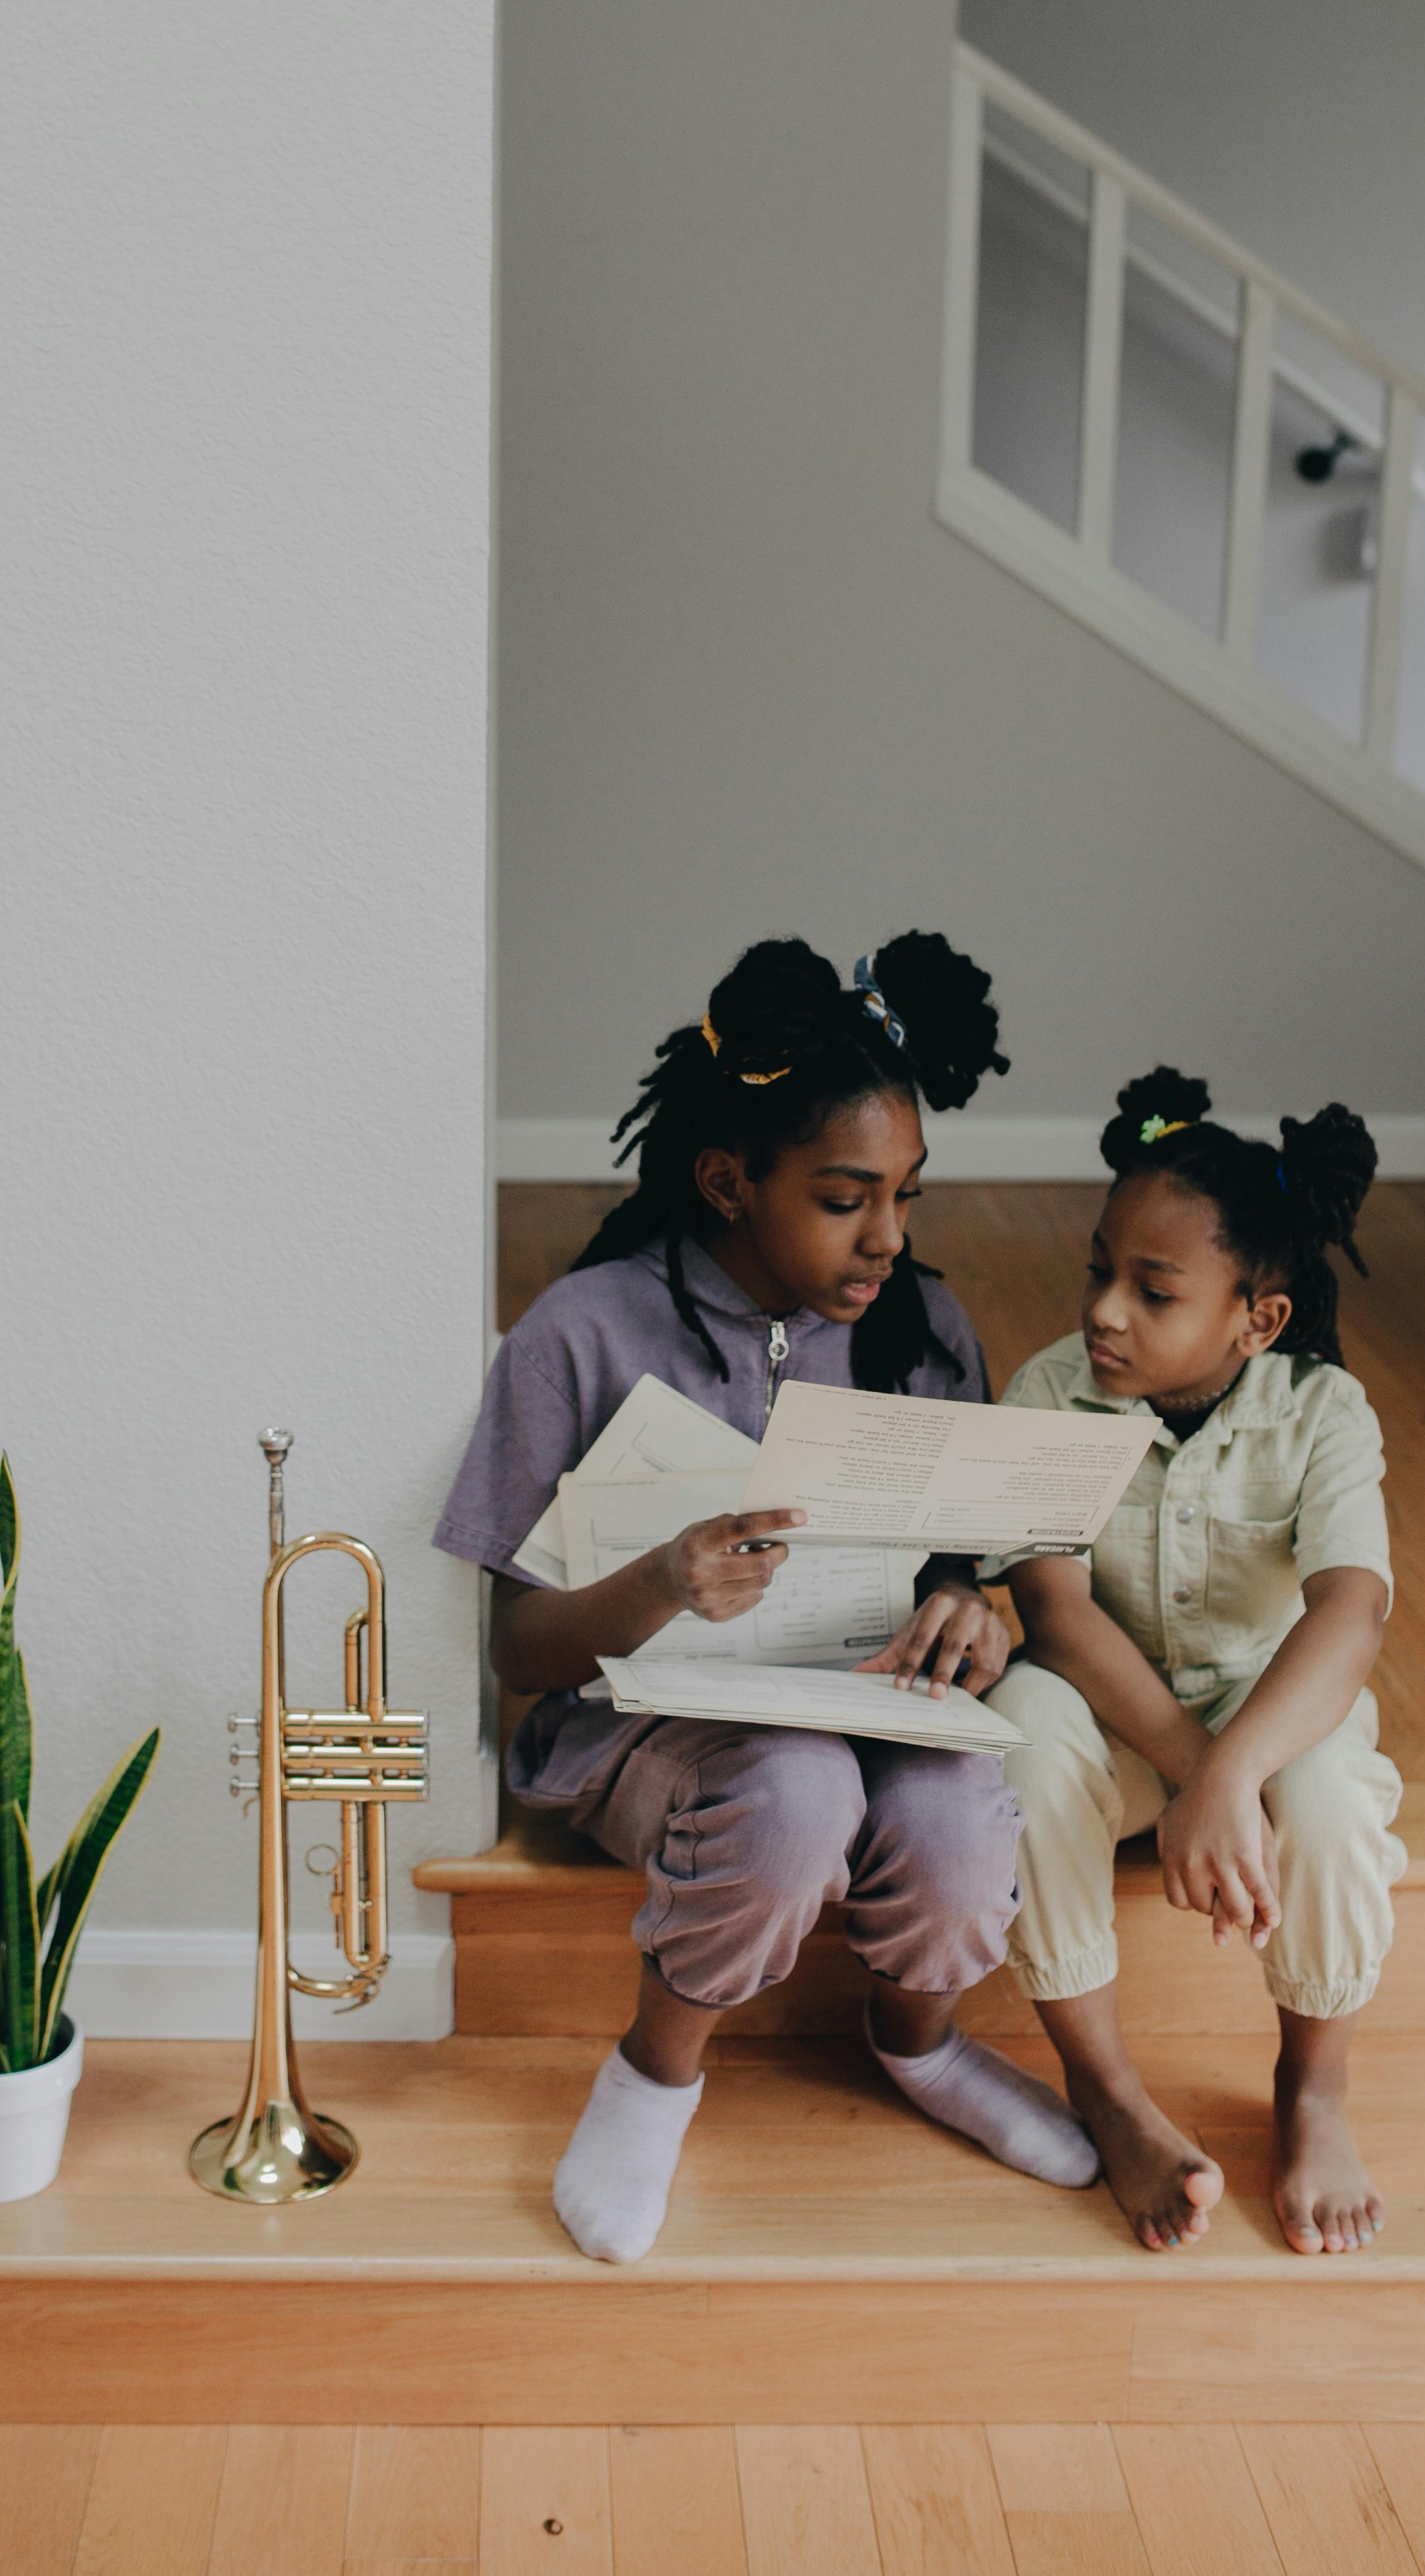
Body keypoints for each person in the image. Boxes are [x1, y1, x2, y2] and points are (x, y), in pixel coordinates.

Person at [433, 933, 1099, 2266]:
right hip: (646, 1730)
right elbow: (516, 1649)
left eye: (905, 1196)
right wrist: (655, 1582)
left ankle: (921, 2048)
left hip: (866, 1700)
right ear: (728, 1180)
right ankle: (651, 2077)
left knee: (967, 1822)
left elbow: (960, 1568)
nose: (886, 1238)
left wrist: (976, 1610)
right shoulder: (580, 1334)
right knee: (800, 1795)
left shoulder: (919, 1328)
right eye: (847, 1198)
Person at [982, 1069, 1400, 2259]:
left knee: (1327, 1800)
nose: (1105, 1311)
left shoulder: (1325, 1411)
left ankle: (1313, 2088)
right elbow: (1055, 1616)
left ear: (1255, 1320)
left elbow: (1350, 1611)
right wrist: (1191, 1774)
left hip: (1271, 1719)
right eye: (1098, 1272)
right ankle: (1106, 2088)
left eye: (1151, 1291)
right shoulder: (1049, 1396)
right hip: (1115, 1715)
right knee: (1020, 1728)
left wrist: (1234, 1779)